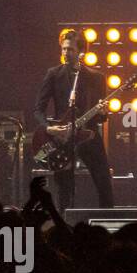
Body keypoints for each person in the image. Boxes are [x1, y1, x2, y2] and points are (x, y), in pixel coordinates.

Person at [32, 28, 113, 210]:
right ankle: (64, 225)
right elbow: (38, 110)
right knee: (64, 189)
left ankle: (108, 221)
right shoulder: (54, 74)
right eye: (63, 49)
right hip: (62, 138)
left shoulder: (97, 78)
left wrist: (102, 112)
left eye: (70, 50)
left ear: (81, 52)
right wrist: (49, 128)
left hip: (88, 135)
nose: (66, 53)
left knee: (104, 182)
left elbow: (102, 118)